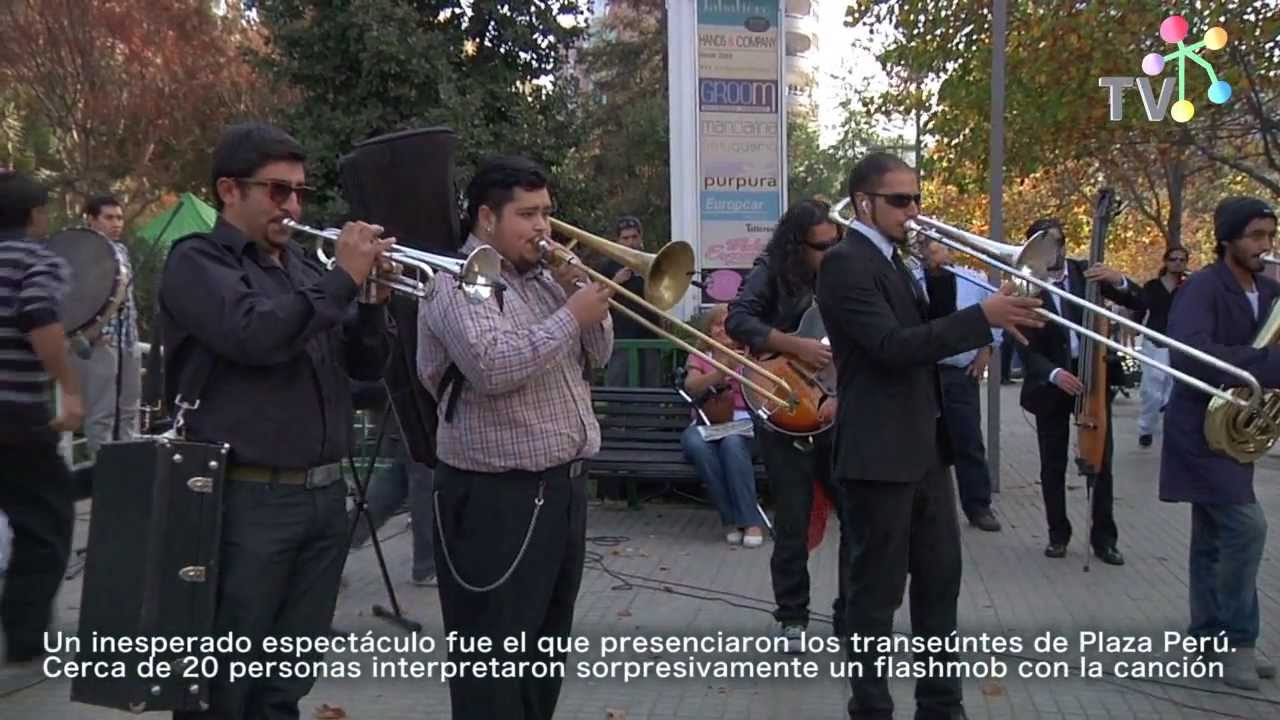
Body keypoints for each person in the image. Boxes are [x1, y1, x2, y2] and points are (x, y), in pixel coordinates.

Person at [159, 122, 392, 719]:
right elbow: (256, 334)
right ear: (229, 191)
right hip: (245, 499)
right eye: (278, 191)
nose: (293, 207)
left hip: (322, 498)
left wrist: (369, 306)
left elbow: (365, 369)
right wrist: (343, 279)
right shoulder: (197, 262)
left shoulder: (304, 272)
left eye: (300, 194)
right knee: (224, 688)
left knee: (286, 684)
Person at [816, 152, 1042, 720]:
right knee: (876, 595)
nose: (914, 211)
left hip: (924, 449)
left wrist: (939, 278)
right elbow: (892, 347)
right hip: (877, 455)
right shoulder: (846, 261)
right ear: (864, 202)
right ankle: (871, 707)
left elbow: (922, 333)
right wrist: (981, 317)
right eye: (900, 200)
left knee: (941, 585)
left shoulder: (895, 259)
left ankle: (941, 705)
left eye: (917, 199)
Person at [417, 156, 613, 720]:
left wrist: (584, 304)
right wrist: (571, 316)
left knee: (543, 657)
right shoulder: (459, 280)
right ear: (486, 218)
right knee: (494, 667)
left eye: (547, 212)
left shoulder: (545, 279)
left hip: (562, 490)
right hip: (496, 498)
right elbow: (492, 366)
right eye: (526, 214)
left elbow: (597, 355)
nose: (543, 228)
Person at [1161, 196, 1279, 690]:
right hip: (1200, 430)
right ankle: (1238, 642)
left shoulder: (1269, 288)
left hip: (1237, 432)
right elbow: (1189, 354)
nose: (1265, 246)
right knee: (1245, 528)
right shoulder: (1202, 288)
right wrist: (1263, 367)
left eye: (1270, 236)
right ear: (1228, 239)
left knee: (1212, 537)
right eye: (1255, 236)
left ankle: (1208, 638)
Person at [726, 198, 843, 652]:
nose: (831, 253)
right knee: (792, 521)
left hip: (837, 406)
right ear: (796, 246)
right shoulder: (771, 271)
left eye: (836, 243)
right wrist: (792, 344)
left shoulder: (845, 271)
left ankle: (852, 614)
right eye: (821, 247)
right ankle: (792, 617)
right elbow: (738, 319)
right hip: (785, 404)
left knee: (857, 516)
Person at [1015, 217, 1145, 565]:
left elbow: (1141, 301)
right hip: (1054, 381)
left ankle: (1104, 539)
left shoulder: (1088, 274)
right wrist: (1053, 373)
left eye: (1056, 242)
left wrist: (1119, 279)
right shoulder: (1024, 284)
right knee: (1052, 463)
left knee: (1101, 459)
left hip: (1094, 374)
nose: (1051, 250)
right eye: (1041, 244)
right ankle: (1058, 535)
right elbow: (1024, 344)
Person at [0, 170, 83, 664]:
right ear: (36, 216)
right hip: (15, 418)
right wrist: (69, 390)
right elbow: (37, 312)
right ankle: (27, 640)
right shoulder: (36, 259)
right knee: (46, 525)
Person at [920, 239, 1002, 532]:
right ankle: (929, 509)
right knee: (926, 442)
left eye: (935, 247)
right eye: (924, 248)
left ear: (949, 249)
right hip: (924, 374)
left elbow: (992, 318)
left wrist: (985, 352)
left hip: (960, 372)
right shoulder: (912, 280)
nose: (930, 253)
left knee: (968, 440)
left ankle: (978, 506)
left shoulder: (973, 280)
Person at [680, 304, 766, 547]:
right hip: (707, 423)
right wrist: (720, 371)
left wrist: (743, 363)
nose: (723, 329)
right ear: (709, 330)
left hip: (745, 426)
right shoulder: (700, 355)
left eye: (728, 323)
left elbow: (764, 395)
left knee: (732, 443)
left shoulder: (753, 353)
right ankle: (732, 519)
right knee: (695, 442)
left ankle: (749, 522)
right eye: (717, 324)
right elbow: (692, 387)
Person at [348, 380, 435, 586]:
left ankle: (340, 543)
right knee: (423, 481)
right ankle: (427, 565)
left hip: (409, 404)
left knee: (398, 483)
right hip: (415, 406)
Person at [71, 194, 141, 451]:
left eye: (120, 217)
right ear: (91, 220)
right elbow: (73, 299)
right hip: (101, 342)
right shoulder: (79, 251)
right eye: (109, 217)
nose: (116, 223)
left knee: (129, 411)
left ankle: (127, 476)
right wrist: (89, 334)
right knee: (101, 415)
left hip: (128, 340)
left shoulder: (121, 250)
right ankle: (102, 480)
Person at [1136, 247, 1189, 447]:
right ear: (1166, 262)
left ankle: (1172, 429)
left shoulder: (1188, 286)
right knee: (1152, 389)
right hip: (1154, 340)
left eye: (1182, 260)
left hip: (1178, 342)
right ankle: (1145, 428)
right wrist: (1135, 327)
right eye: (1173, 259)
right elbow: (1139, 306)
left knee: (1173, 390)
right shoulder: (1152, 286)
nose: (1177, 263)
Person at [602, 215, 662, 387]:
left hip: (650, 336)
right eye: (625, 238)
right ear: (618, 240)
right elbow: (598, 297)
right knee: (618, 385)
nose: (630, 242)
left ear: (641, 238)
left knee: (651, 388)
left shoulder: (654, 263)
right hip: (620, 337)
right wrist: (616, 281)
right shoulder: (608, 266)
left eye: (634, 237)